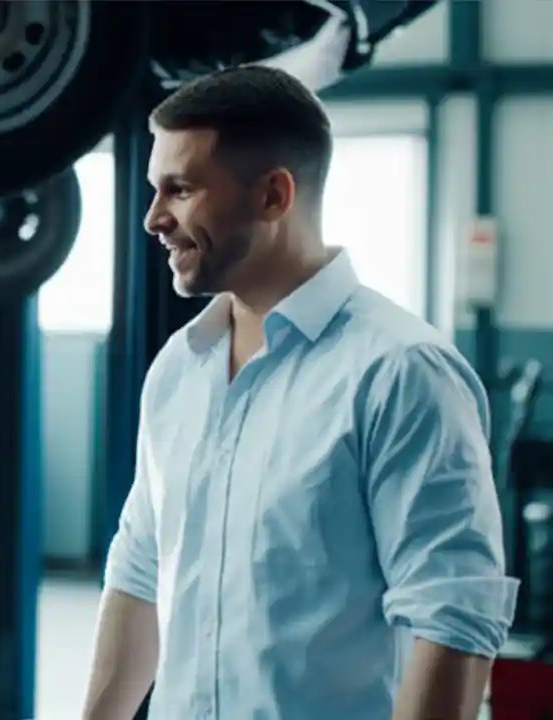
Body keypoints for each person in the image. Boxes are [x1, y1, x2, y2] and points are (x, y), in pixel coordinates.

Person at [81, 64, 517, 720]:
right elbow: (141, 568)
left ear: (273, 195)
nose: (153, 219)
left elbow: (451, 616)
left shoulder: (401, 372)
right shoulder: (180, 369)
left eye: (180, 189)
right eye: (154, 190)